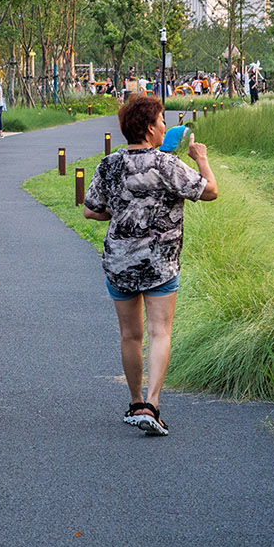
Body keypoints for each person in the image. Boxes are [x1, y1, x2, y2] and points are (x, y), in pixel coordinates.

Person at [84, 93, 217, 437]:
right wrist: (201, 158)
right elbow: (210, 191)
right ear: (147, 127)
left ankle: (134, 402)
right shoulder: (166, 164)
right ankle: (153, 404)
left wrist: (121, 213)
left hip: (120, 261)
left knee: (130, 335)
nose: (164, 127)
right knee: (160, 332)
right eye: (160, 122)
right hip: (160, 263)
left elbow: (90, 210)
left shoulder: (108, 164)